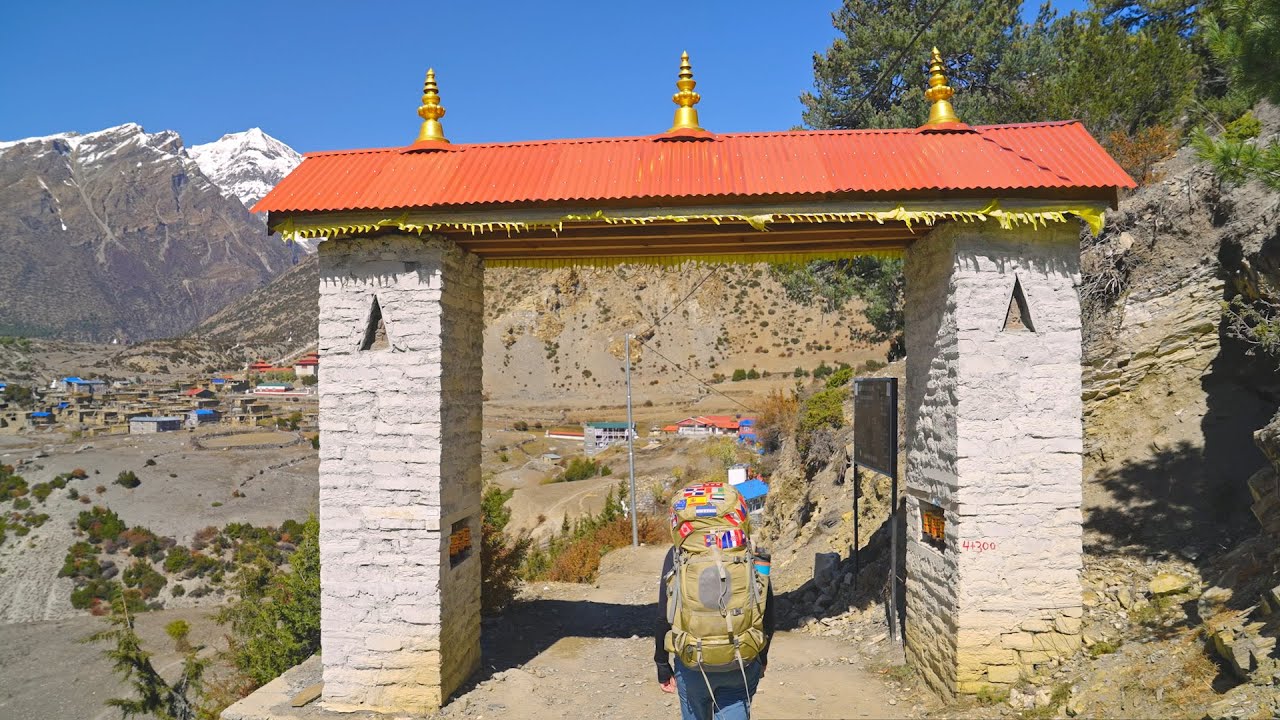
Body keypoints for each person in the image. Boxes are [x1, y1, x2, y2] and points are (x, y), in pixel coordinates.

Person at [655, 523, 774, 719]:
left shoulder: (679, 551)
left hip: (692, 662)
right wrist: (762, 655)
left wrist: (661, 663)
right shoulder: (744, 549)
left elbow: (663, 615)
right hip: (740, 659)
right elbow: (765, 608)